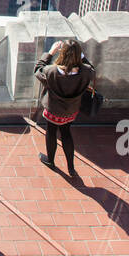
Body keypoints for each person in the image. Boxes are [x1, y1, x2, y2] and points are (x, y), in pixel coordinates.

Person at [35, 38, 95, 178]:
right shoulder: (85, 72)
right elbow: (91, 69)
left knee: (51, 132)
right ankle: (71, 167)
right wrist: (80, 55)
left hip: (53, 110)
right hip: (70, 110)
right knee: (66, 133)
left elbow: (38, 70)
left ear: (62, 54)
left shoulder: (51, 71)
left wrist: (50, 52)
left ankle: (50, 161)